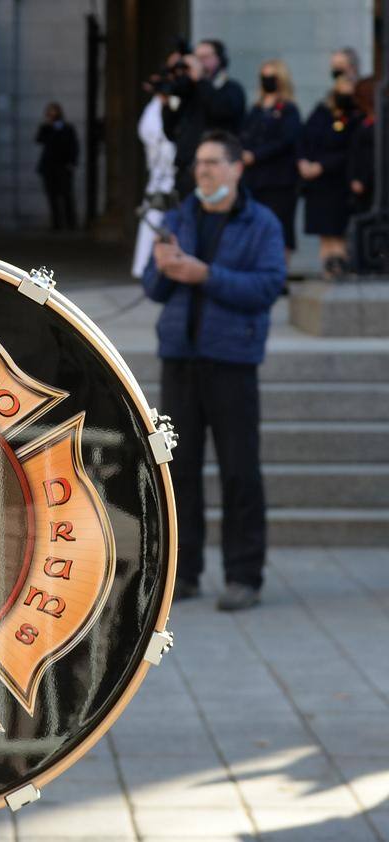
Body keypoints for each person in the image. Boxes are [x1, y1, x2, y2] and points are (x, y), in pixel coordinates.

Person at [142, 130, 285, 612]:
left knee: (239, 470)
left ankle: (245, 575)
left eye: (211, 163)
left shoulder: (260, 222)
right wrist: (163, 267)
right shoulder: (180, 217)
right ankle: (184, 574)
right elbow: (154, 287)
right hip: (180, 358)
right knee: (178, 471)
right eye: (198, 164)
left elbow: (267, 287)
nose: (202, 171)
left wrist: (206, 274)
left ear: (236, 168)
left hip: (232, 361)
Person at [162, 39, 247, 198]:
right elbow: (170, 130)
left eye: (206, 57)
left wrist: (200, 79)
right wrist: (170, 94)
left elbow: (220, 110)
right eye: (197, 57)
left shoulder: (232, 89)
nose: (200, 62)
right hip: (186, 174)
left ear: (220, 59)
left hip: (217, 174)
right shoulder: (190, 91)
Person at [299, 67, 363, 277]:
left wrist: (322, 166)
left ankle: (339, 275)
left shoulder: (356, 117)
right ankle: (328, 276)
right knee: (324, 235)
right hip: (317, 186)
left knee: (338, 235)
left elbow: (350, 151)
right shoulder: (322, 111)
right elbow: (305, 137)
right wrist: (304, 162)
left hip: (337, 183)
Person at [240, 59, 302, 265]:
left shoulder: (288, 109)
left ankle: (279, 274)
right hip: (255, 179)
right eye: (264, 76)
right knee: (254, 227)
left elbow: (286, 140)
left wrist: (256, 155)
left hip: (279, 180)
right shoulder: (256, 108)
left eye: (271, 76)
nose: (267, 81)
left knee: (280, 227)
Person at [133, 62, 178, 278]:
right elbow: (163, 143)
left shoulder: (164, 107)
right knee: (155, 221)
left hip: (168, 175)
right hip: (163, 175)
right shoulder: (153, 111)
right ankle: (148, 267)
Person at [34, 101, 79, 231]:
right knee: (52, 196)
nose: (52, 114)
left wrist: (72, 163)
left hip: (63, 166)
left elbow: (74, 146)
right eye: (50, 111)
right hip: (49, 167)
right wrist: (49, 127)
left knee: (66, 196)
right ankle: (56, 224)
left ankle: (71, 224)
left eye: (54, 111)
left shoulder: (67, 128)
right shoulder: (46, 127)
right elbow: (39, 139)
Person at [349, 76, 377, 217]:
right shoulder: (362, 119)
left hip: (372, 185)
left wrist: (363, 180)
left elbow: (375, 155)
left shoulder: (380, 123)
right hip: (359, 182)